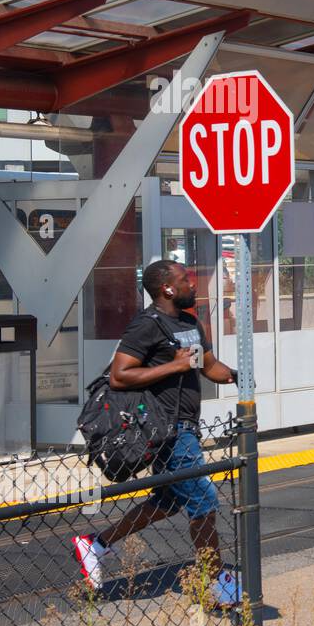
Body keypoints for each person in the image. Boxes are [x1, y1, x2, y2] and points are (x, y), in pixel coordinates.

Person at [72, 259, 242, 606]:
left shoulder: (190, 323)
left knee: (168, 501)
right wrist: (176, 365)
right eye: (185, 279)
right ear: (167, 288)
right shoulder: (146, 326)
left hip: (185, 426)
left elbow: (210, 366)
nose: (192, 284)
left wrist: (239, 377)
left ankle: (97, 544)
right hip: (167, 428)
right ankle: (216, 581)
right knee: (204, 500)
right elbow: (120, 375)